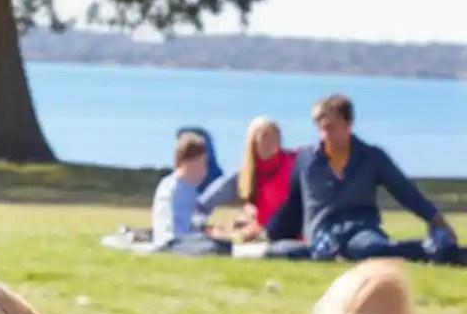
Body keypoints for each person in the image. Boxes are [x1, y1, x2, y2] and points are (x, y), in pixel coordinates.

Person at [253, 93, 460, 263]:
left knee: (373, 250)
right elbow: (294, 205)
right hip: (322, 234)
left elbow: (404, 190)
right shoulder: (305, 160)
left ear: (348, 124)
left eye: (330, 128)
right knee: (279, 253)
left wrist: (436, 219)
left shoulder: (372, 157)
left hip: (361, 230)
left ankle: (437, 249)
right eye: (320, 128)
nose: (325, 135)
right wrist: (267, 233)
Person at [196, 116, 298, 239]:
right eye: (265, 136)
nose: (271, 141)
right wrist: (213, 230)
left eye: (275, 135)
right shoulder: (241, 177)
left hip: (298, 238)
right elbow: (199, 208)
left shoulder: (296, 162)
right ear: (253, 141)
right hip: (266, 242)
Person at [151, 132, 232, 256]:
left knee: (222, 243)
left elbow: (190, 221)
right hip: (172, 243)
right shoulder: (175, 187)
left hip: (179, 240)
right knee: (221, 247)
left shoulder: (186, 187)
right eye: (202, 165)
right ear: (189, 162)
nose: (204, 172)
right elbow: (175, 229)